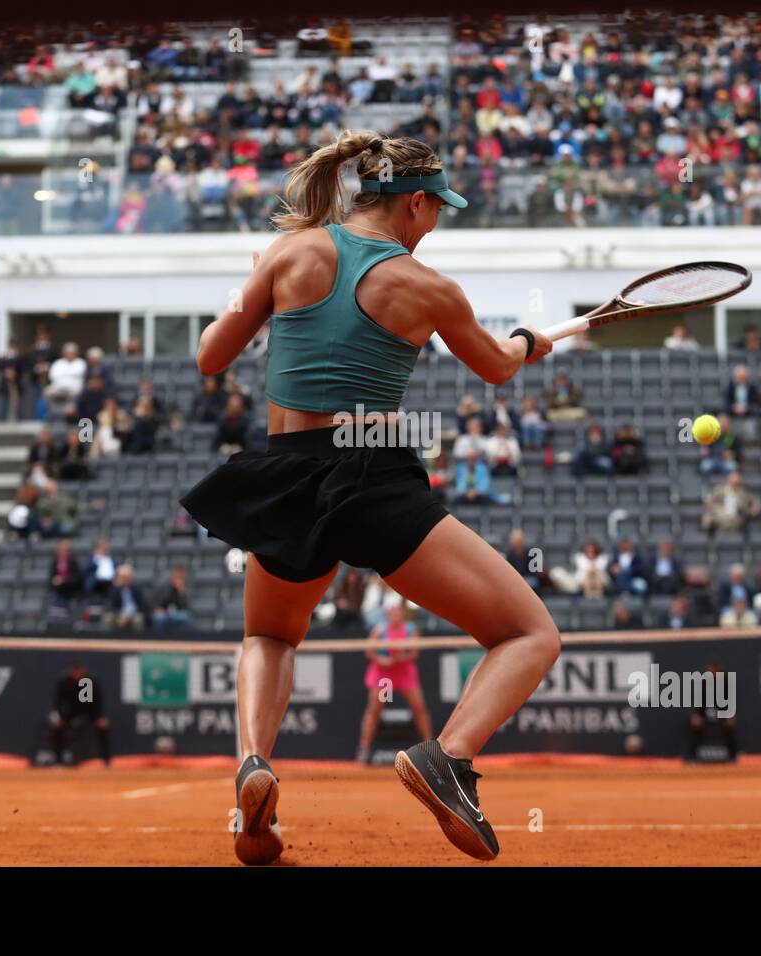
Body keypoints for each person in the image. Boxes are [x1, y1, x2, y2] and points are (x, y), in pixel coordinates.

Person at [181, 130, 559, 865]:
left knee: (269, 636)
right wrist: (525, 341)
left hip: (286, 472)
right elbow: (498, 368)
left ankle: (254, 767)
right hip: (371, 476)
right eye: (437, 210)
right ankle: (447, 757)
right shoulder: (429, 289)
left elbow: (209, 357)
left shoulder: (287, 254)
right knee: (528, 634)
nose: (435, 223)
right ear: (414, 204)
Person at [356, 603, 433, 764]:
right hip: (384, 676)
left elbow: (414, 654)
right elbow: (369, 651)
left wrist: (401, 659)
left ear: (402, 615)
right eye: (391, 613)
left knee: (419, 708)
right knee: (374, 711)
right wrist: (381, 660)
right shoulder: (380, 630)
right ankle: (364, 749)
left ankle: (430, 749)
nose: (394, 616)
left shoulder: (411, 630)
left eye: (397, 613)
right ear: (387, 615)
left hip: (404, 673)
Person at [48, 663, 111, 767]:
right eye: (75, 671)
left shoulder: (90, 682)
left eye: (79, 670)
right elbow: (58, 702)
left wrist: (100, 717)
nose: (77, 673)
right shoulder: (64, 683)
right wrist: (59, 717)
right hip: (70, 713)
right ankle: (58, 761)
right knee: (57, 729)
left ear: (83, 671)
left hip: (90, 712)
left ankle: (106, 761)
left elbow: (97, 702)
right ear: (71, 671)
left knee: (103, 728)